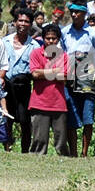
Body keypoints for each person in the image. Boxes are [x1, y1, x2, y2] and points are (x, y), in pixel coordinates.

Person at [62, 2, 95, 157]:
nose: (74, 15)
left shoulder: (92, 34)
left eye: (77, 12)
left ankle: (84, 153)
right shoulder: (65, 32)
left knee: (88, 116)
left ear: (84, 14)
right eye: (72, 12)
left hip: (88, 78)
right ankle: (73, 152)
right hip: (70, 78)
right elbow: (62, 53)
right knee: (71, 115)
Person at [28, 23, 69, 155]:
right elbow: (34, 74)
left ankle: (64, 161)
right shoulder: (36, 53)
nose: (51, 41)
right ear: (43, 38)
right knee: (39, 140)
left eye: (54, 38)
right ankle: (37, 162)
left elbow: (64, 77)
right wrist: (55, 71)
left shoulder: (63, 55)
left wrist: (43, 72)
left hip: (58, 103)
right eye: (48, 38)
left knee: (61, 141)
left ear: (58, 39)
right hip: (39, 102)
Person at [3, 9, 38, 152]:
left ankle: (25, 150)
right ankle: (7, 148)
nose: (23, 24)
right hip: (6, 86)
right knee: (7, 118)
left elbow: (35, 69)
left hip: (24, 88)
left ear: (31, 24)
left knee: (25, 120)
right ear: (15, 22)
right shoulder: (4, 42)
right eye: (20, 20)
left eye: (26, 21)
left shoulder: (35, 46)